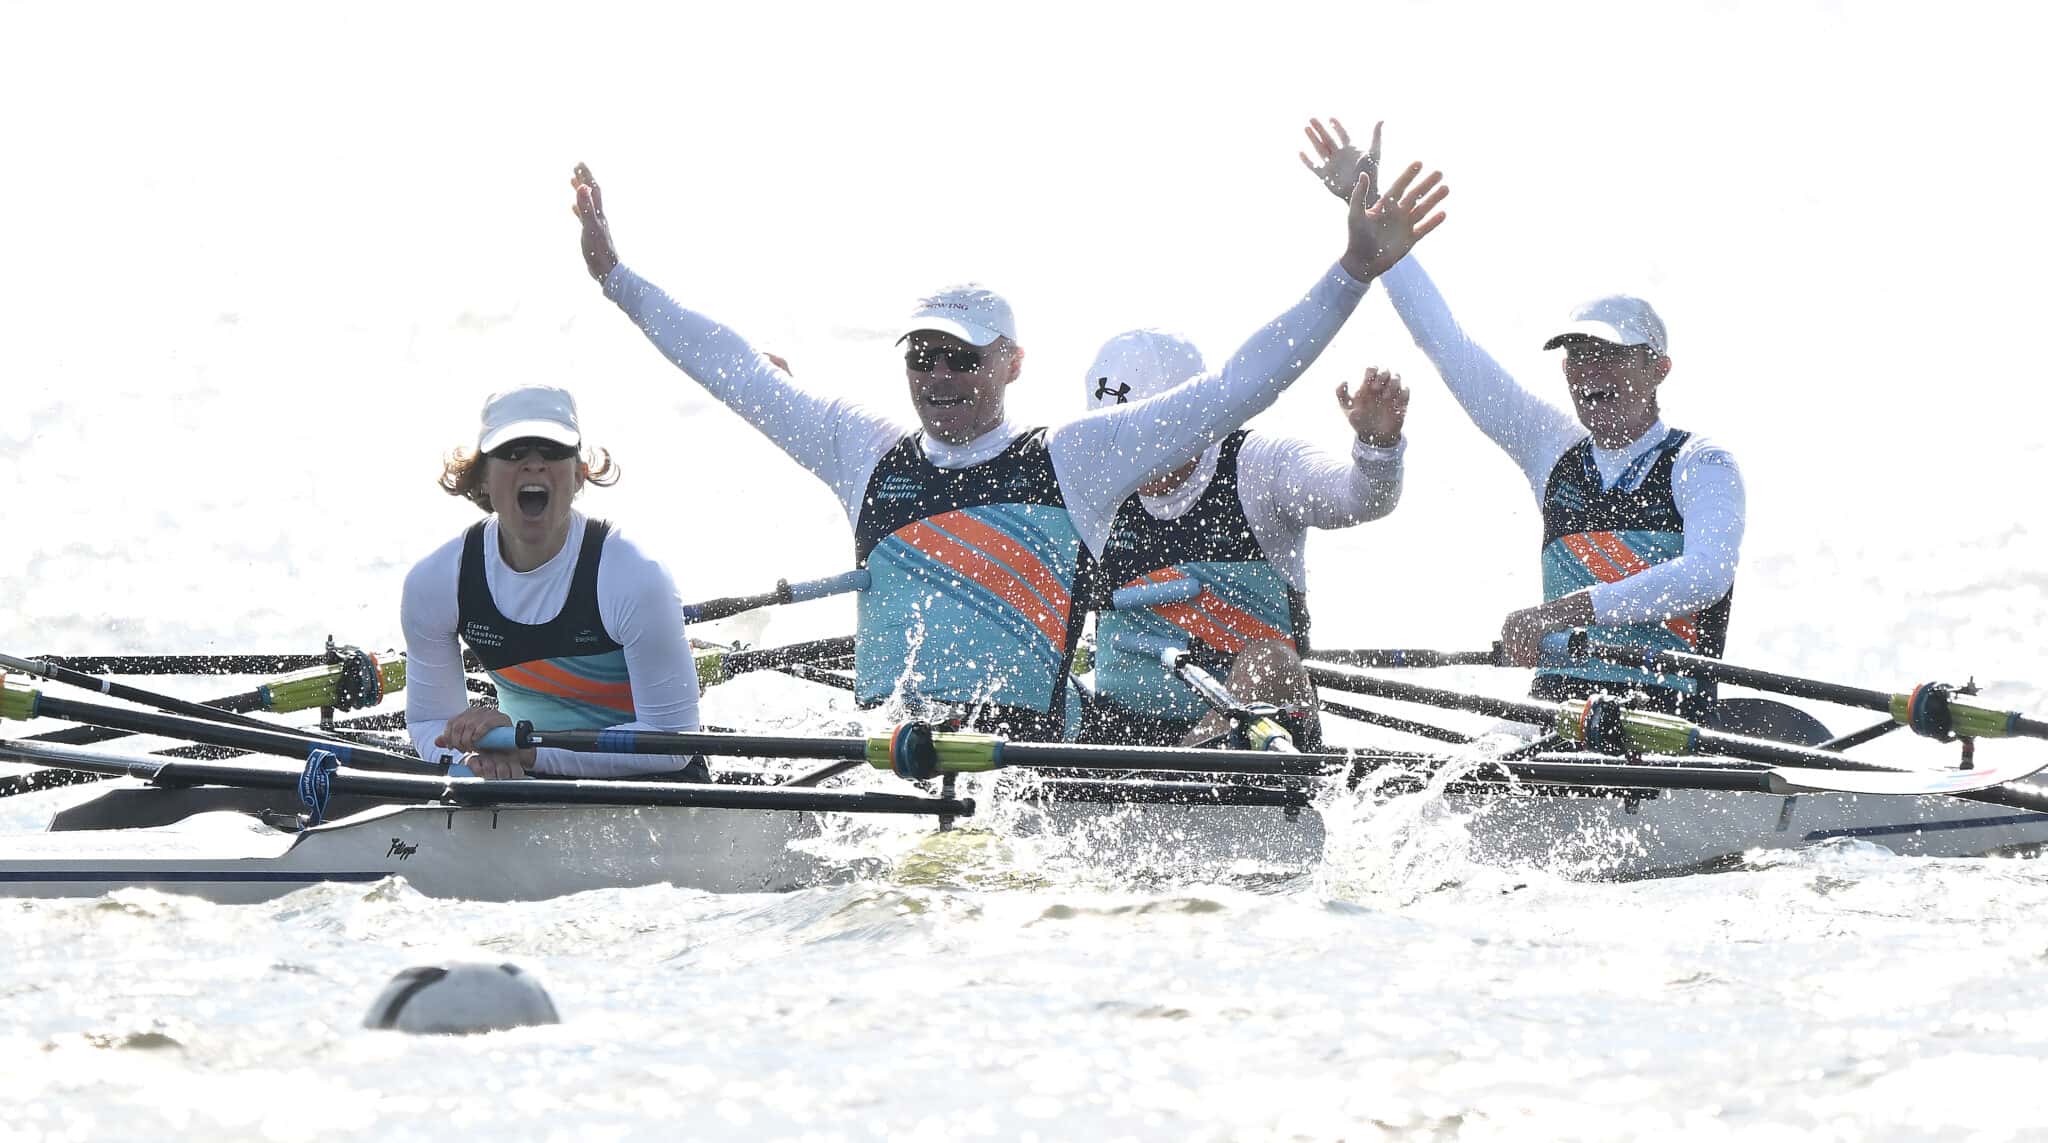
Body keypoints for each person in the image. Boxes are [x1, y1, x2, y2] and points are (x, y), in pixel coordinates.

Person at [570, 157, 1448, 741]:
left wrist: (1351, 274)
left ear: (1012, 364)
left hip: (1032, 767)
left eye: (962, 357)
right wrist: (616, 278)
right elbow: (730, 368)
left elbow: (1236, 387)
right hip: (897, 748)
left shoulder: (1074, 460)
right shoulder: (862, 451)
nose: (938, 375)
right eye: (922, 355)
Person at [1300, 119, 1742, 715]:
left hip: (1668, 717)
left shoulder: (1701, 463)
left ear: (1658, 369)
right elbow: (1447, 345)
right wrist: (1374, 217)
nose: (1590, 370)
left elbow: (1706, 576)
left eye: (1610, 355)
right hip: (1558, 716)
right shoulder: (1552, 450)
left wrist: (1567, 611)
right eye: (1578, 355)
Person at [1080, 325, 1410, 747]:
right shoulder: (1082, 480)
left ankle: (1179, 772)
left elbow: (1361, 499)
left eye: (1146, 432)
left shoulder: (1262, 468)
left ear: (1199, 416)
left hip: (1251, 738)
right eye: (1114, 434)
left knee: (1270, 662)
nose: (1128, 454)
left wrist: (1377, 448)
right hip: (1115, 729)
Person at [402, 384, 705, 778]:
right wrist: (470, 764)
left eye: (552, 450)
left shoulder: (634, 576)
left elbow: (673, 744)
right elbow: (429, 722)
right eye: (513, 452)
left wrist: (530, 753)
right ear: (482, 477)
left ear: (579, 475)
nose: (534, 465)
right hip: (524, 772)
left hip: (652, 781)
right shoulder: (436, 581)